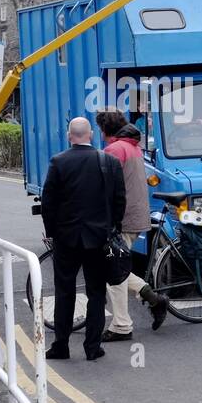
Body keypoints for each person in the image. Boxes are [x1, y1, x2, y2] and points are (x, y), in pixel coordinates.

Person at [40, 117, 125, 361]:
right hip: (99, 238)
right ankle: (92, 347)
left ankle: (61, 345)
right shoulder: (109, 162)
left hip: (67, 239)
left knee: (64, 291)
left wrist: (51, 231)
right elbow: (120, 200)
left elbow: (49, 203)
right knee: (96, 292)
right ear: (91, 135)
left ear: (69, 136)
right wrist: (113, 228)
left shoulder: (58, 162)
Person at [96, 109, 169, 340]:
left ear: (105, 129)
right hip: (136, 215)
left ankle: (122, 326)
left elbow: (104, 185)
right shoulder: (132, 146)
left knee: (114, 274)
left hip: (123, 218)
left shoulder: (115, 149)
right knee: (116, 268)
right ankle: (153, 298)